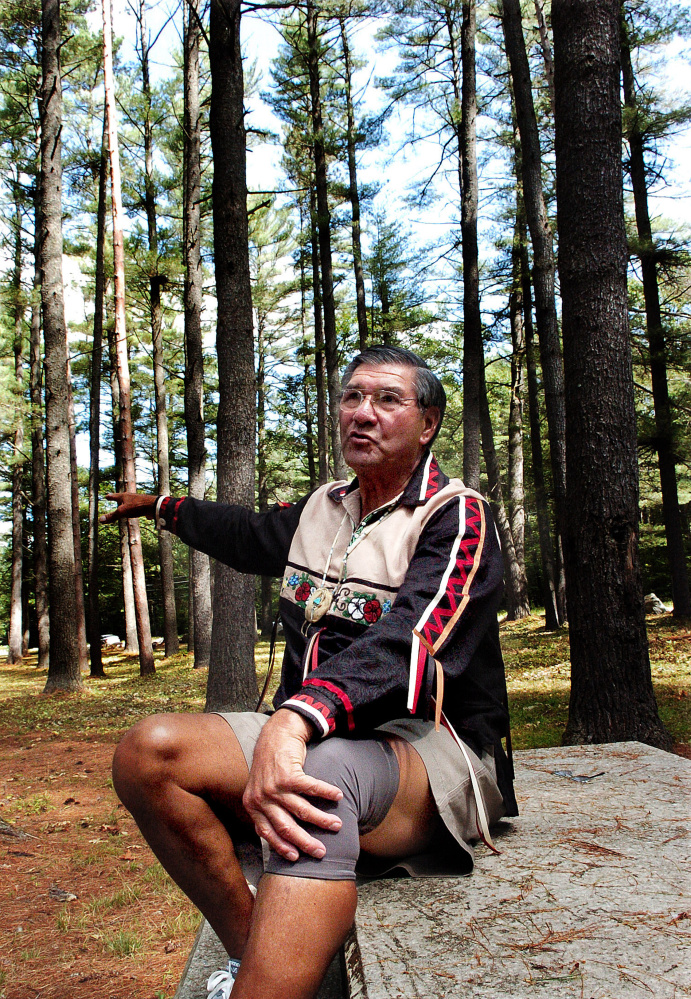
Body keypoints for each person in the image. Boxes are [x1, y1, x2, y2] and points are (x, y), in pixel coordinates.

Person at [104, 346, 517, 999]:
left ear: (427, 422)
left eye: (387, 399)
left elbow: (406, 643)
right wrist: (160, 505)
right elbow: (244, 533)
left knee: (321, 776)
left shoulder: (455, 514)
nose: (362, 413)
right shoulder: (323, 509)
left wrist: (295, 717)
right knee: (149, 753)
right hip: (318, 732)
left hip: (433, 753)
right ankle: (269, 965)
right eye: (351, 397)